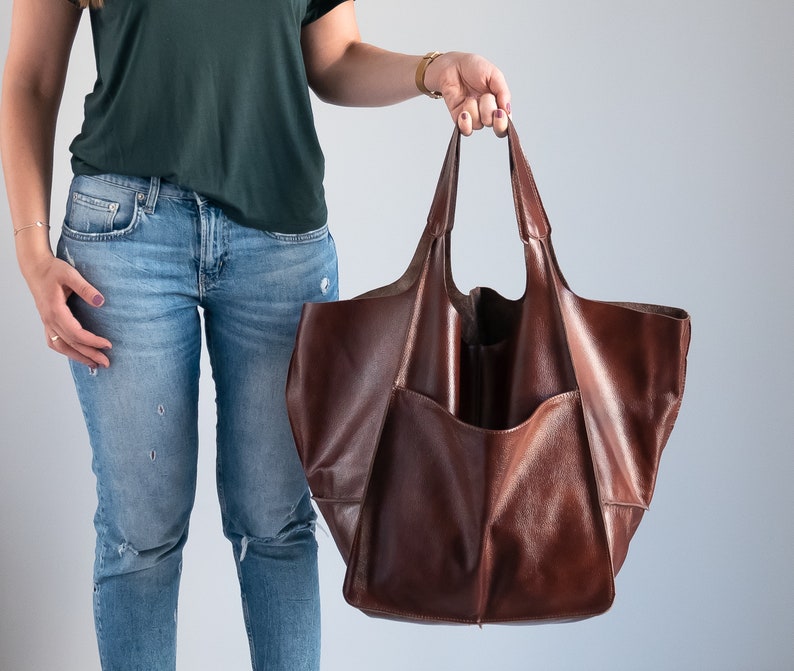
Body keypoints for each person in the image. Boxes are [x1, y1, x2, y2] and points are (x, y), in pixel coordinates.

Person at [0, 1, 511, 669]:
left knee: (277, 525)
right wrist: (31, 249)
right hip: (127, 240)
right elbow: (31, 78)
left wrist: (432, 68)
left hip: (282, 248)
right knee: (139, 535)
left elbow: (330, 57)